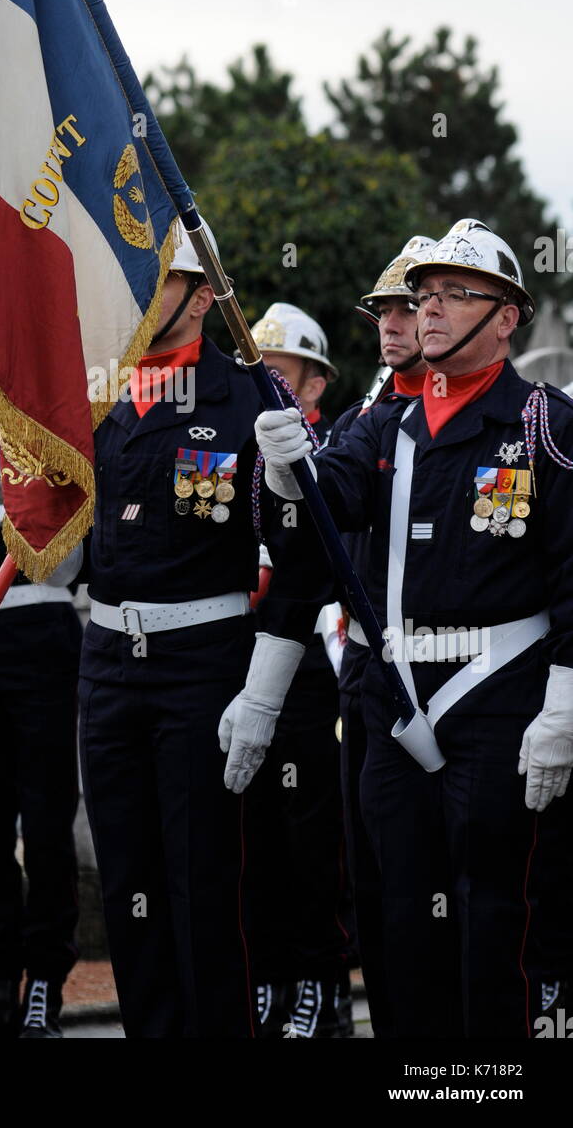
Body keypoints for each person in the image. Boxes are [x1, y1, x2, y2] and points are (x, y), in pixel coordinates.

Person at [248, 217, 573, 1037]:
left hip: (500, 695)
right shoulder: (380, 423)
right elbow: (320, 525)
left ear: (505, 316)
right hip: (393, 698)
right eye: (422, 295)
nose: (426, 310)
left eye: (453, 294)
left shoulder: (546, 426)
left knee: (495, 912)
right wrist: (289, 470)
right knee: (396, 909)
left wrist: (565, 701)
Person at [79, 220, 310, 1039]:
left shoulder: (250, 398)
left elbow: (300, 558)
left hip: (202, 663)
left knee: (202, 888)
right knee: (128, 889)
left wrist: (261, 694)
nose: (136, 298)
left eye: (156, 282)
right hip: (107, 662)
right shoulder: (98, 388)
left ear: (202, 295)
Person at [331, 235, 434, 1038]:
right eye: (383, 310)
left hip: (452, 673)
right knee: (373, 878)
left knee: (443, 885)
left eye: (405, 306)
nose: (392, 321)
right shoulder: (361, 420)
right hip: (364, 670)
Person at [241, 304, 353, 1039]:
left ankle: (320, 982)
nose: (267, 389)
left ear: (312, 389)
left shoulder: (328, 461)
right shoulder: (226, 451)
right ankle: (267, 977)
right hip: (238, 661)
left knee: (312, 841)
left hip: (310, 670)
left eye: (279, 375)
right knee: (251, 842)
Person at [0, 434, 82, 1041]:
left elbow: (78, 552)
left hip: (41, 630)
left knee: (48, 826)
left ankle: (46, 985)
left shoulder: (51, 429)